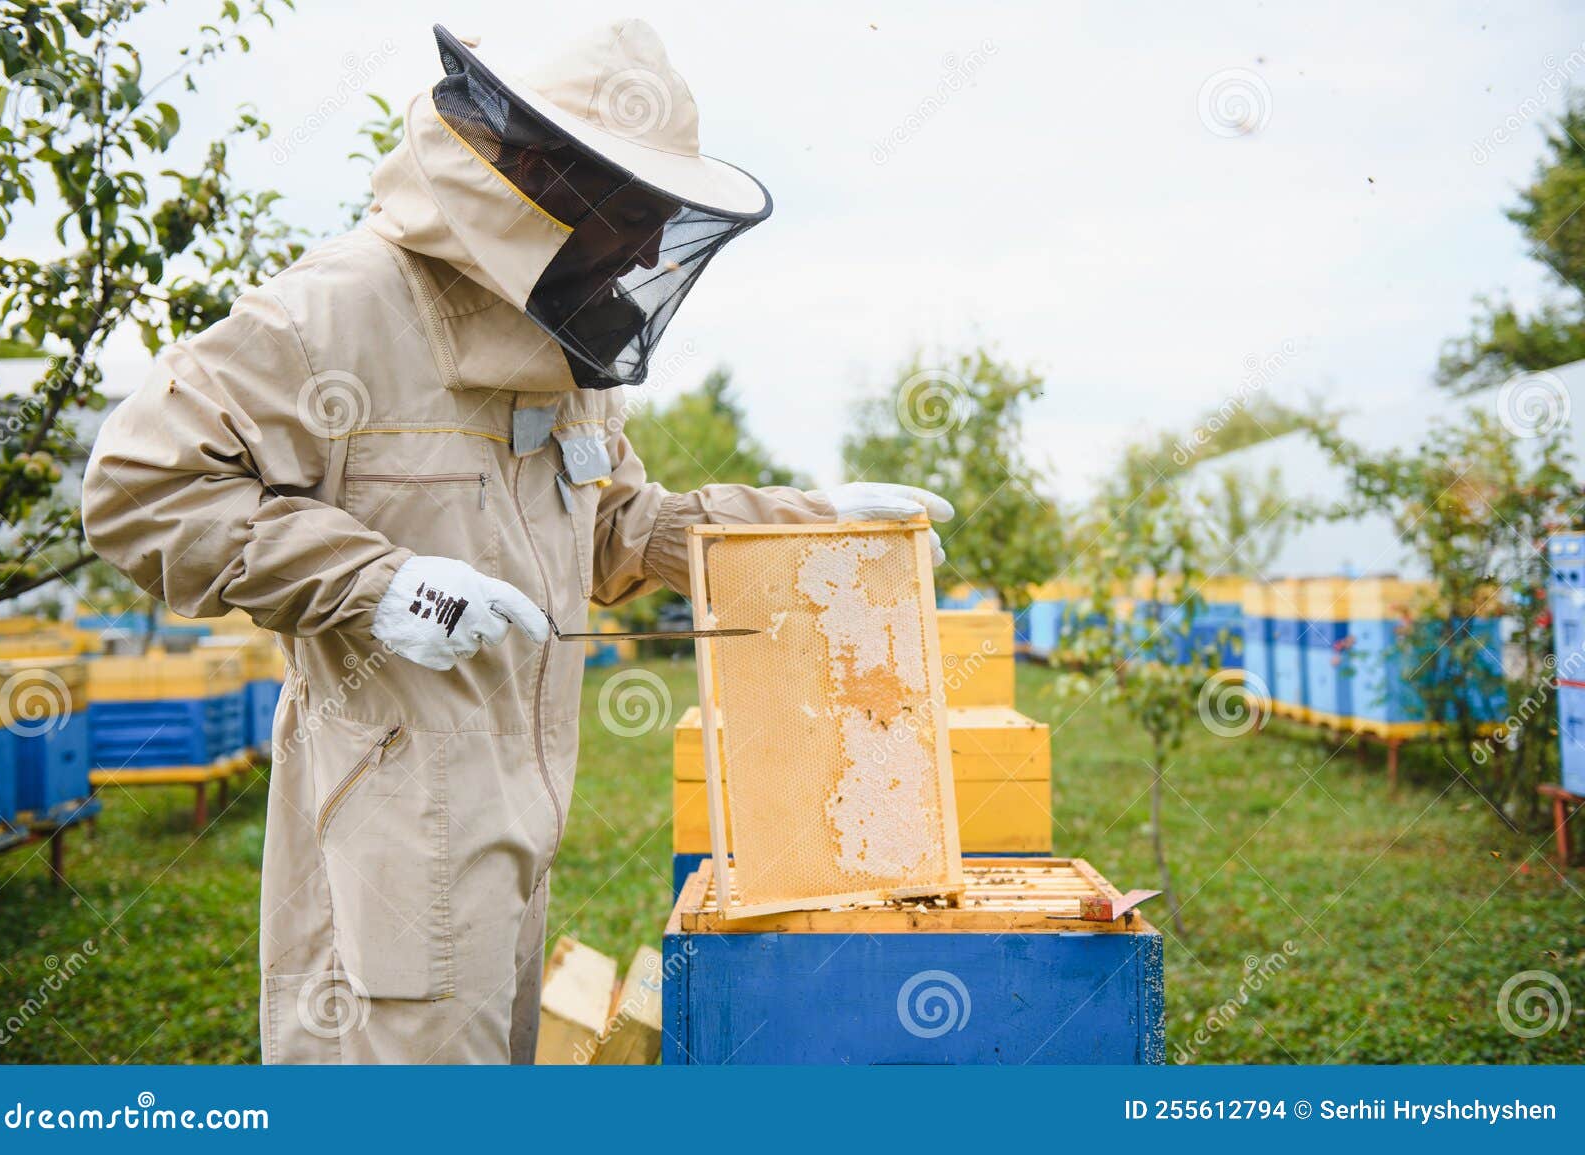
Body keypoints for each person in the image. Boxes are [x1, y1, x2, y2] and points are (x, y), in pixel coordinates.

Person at [81, 19, 952, 1064]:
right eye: (628, 212)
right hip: (388, 834)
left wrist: (811, 528)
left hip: (522, 819)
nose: (641, 247)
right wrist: (375, 584)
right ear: (537, 175)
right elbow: (142, 489)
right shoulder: (334, 313)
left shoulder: (563, 347)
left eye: (655, 218)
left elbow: (615, 529)